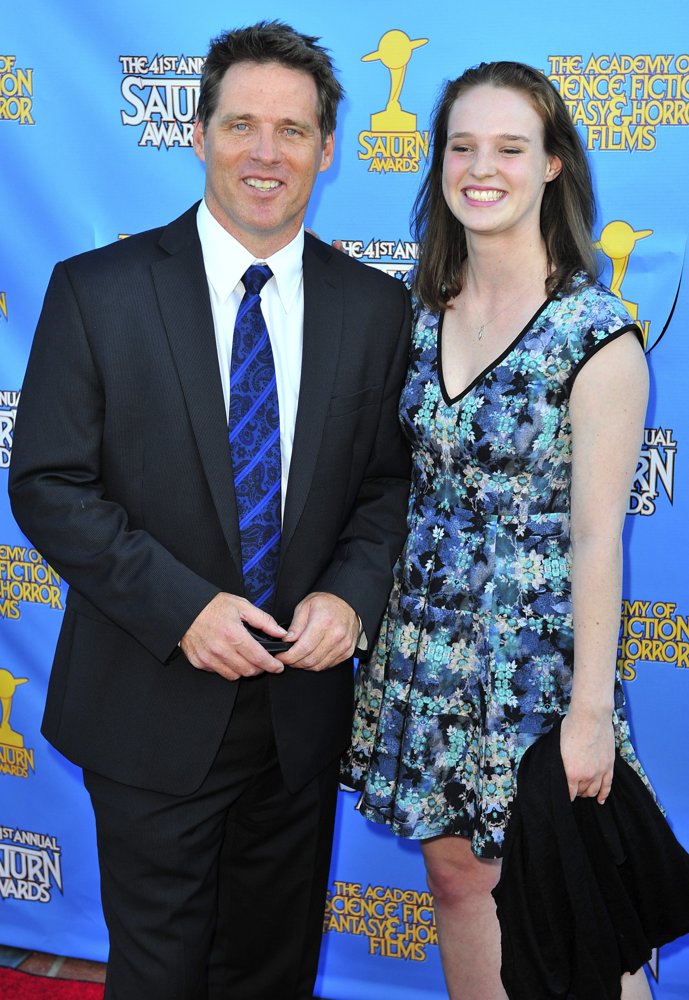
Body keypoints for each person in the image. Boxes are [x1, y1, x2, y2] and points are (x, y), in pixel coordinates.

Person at [9, 21, 411, 1000]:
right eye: (240, 125)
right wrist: (181, 608)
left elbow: (386, 485)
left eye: (291, 129)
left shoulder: (374, 307)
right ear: (197, 134)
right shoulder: (97, 291)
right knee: (160, 971)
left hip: (300, 713)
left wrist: (351, 598)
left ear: (326, 146)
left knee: (268, 970)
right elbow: (47, 482)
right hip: (149, 701)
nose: (264, 153)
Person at [342, 61, 655, 999]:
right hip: (424, 650)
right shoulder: (416, 308)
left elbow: (601, 538)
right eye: (461, 145)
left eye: (509, 147)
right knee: (454, 877)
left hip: (536, 665)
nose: (482, 167)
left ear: (553, 164)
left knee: (572, 893)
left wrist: (590, 713)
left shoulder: (595, 333)